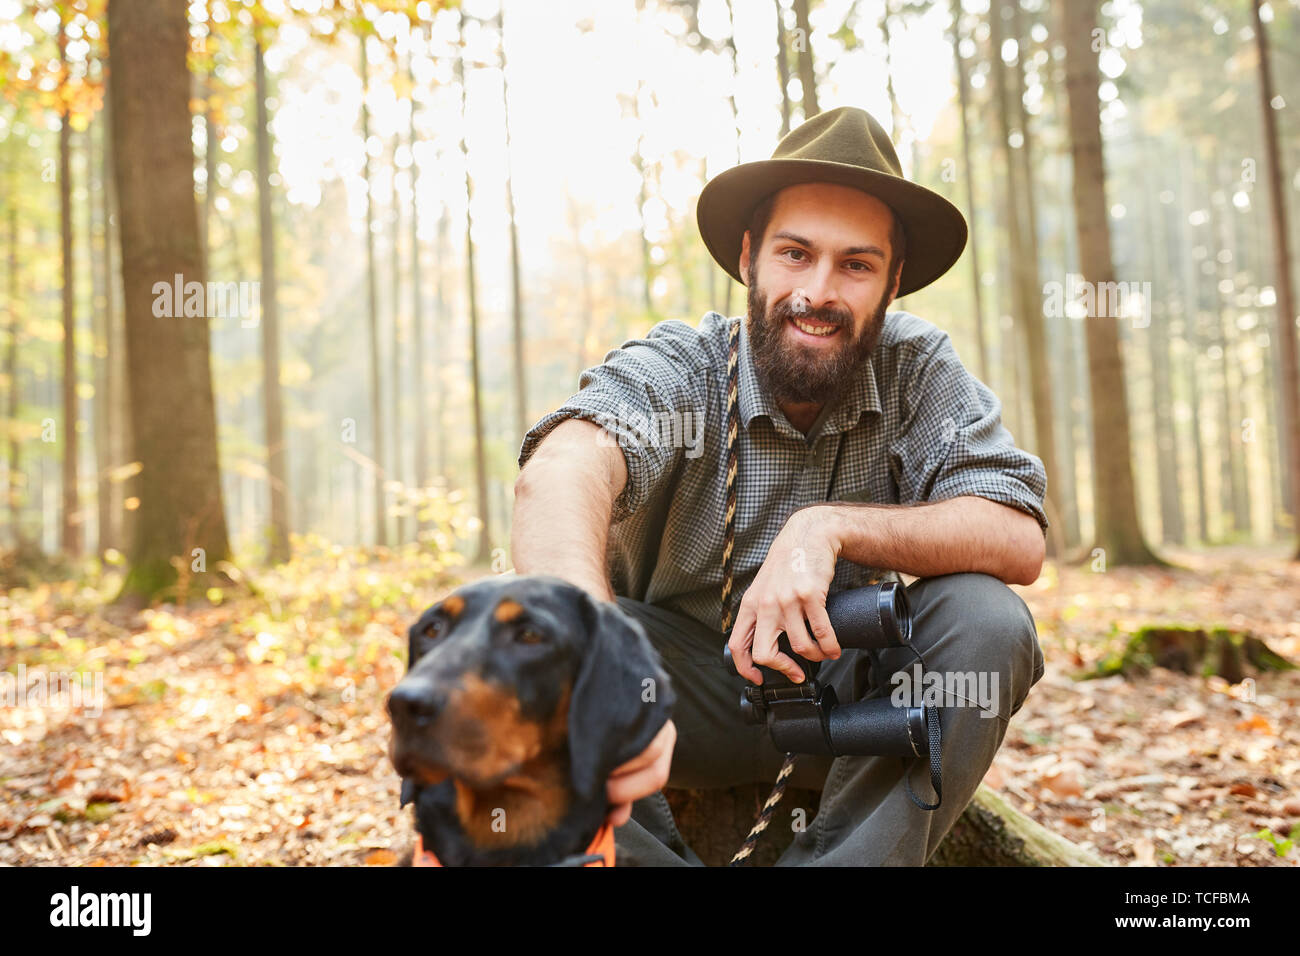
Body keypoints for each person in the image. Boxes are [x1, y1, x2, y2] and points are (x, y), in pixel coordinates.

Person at [511, 106, 1048, 865]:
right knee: (515, 637)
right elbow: (562, 468)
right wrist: (592, 645)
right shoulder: (684, 365)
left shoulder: (916, 368)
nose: (818, 292)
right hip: (669, 695)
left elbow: (1016, 533)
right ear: (748, 258)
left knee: (987, 617)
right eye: (795, 253)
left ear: (892, 282)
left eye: (856, 265)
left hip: (851, 697)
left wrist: (830, 527)